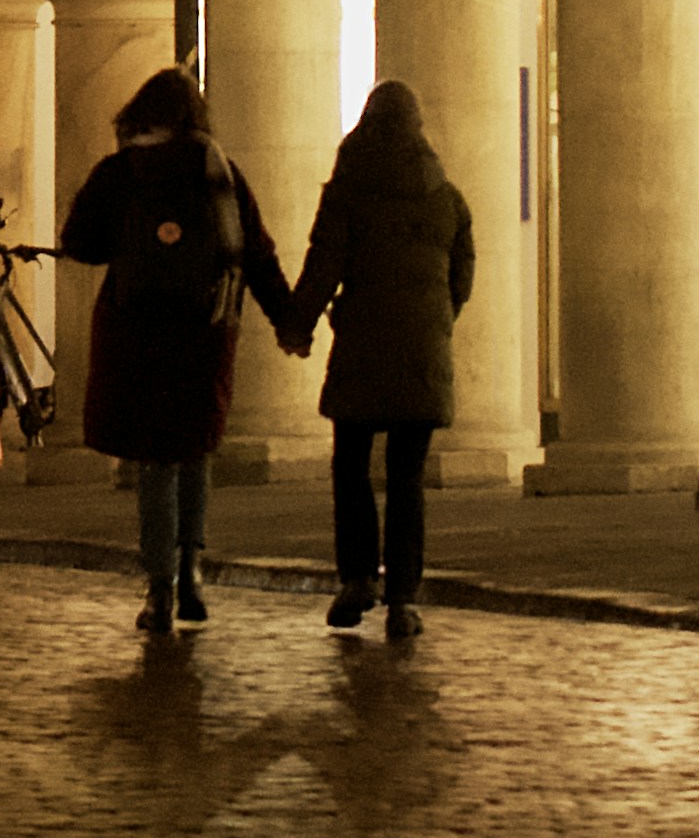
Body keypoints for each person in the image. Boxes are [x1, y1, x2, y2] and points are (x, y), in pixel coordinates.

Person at [57, 64, 295, 639]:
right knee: (195, 447)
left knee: (153, 460)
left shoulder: (120, 171)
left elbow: (79, 244)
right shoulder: (220, 172)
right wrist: (291, 321)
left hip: (134, 328)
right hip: (203, 327)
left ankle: (158, 588)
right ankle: (191, 568)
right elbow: (254, 254)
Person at [290, 76, 475, 639]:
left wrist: (297, 324)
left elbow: (324, 264)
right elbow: (461, 277)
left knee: (351, 467)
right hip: (422, 355)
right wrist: (435, 323)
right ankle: (402, 598)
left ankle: (356, 581)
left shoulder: (347, 193)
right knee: (406, 478)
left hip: (362, 352)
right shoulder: (446, 198)